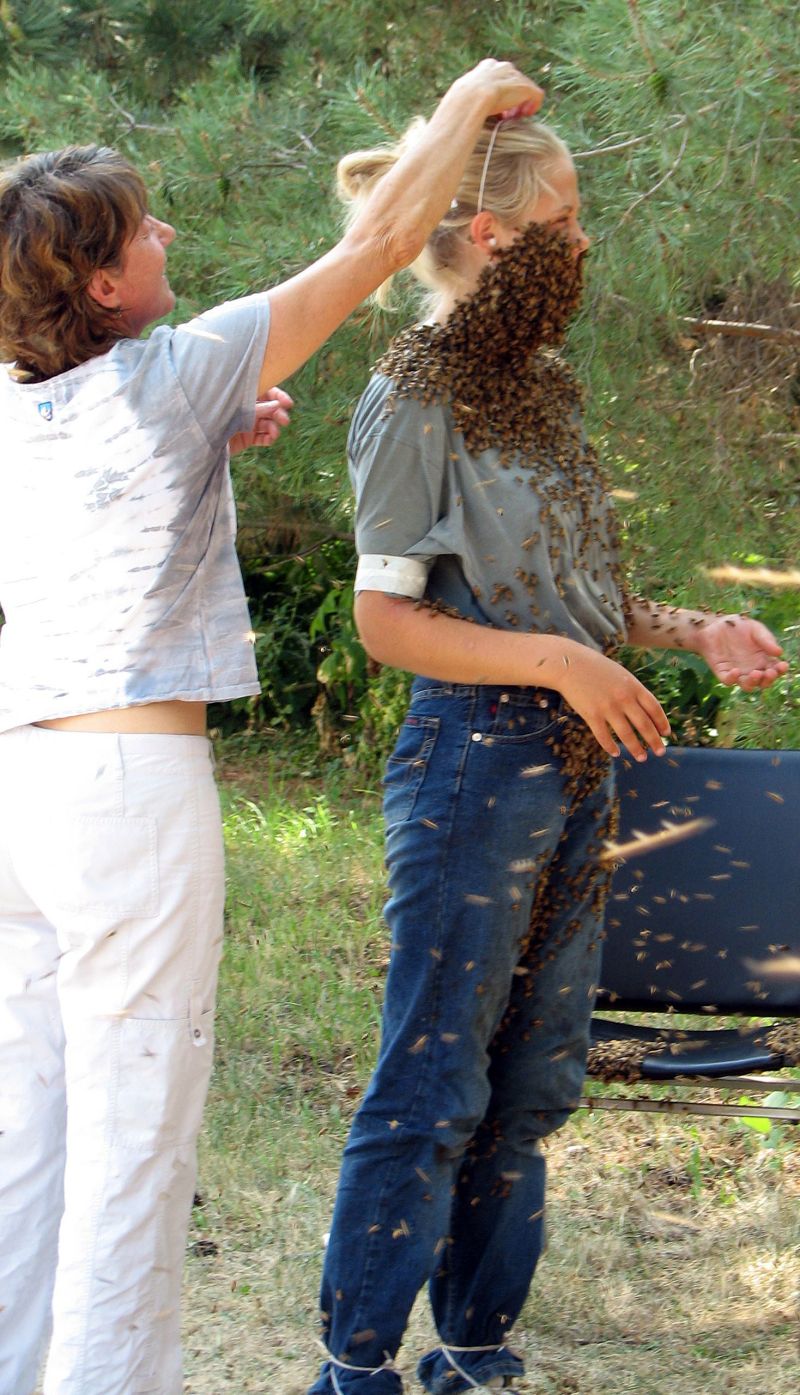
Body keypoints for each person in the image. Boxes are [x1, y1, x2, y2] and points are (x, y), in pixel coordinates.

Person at [0, 60, 545, 1395]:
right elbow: (369, 246)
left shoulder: (35, 402)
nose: (167, 233)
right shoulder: (176, 372)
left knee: (30, 1134)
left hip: (21, 783)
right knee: (134, 1137)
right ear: (104, 287)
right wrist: (469, 96)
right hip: (128, 788)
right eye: (143, 228)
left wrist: (204, 437)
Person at [309, 115, 788, 1395]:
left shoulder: (541, 380)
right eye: (565, 219)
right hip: (472, 770)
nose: (584, 238)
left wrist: (690, 631)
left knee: (529, 1087)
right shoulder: (412, 392)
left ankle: (476, 1356)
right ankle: (352, 1372)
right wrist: (564, 668)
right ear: (489, 232)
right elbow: (385, 622)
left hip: (579, 777)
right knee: (430, 1090)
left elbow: (573, 599)